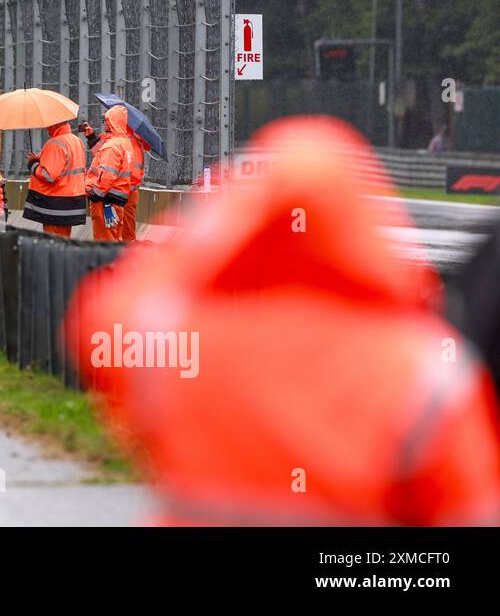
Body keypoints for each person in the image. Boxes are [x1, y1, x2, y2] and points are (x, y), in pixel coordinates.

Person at [66, 116, 500, 525]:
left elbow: (102, 312)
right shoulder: (424, 372)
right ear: (363, 228)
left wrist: (207, 239)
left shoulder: (179, 343)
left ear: (248, 223)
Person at [23, 119, 87, 237]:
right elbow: (66, 166)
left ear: (55, 124)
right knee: (63, 242)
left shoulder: (55, 143)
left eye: (48, 125)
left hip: (56, 205)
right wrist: (40, 159)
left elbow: (48, 175)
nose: (47, 128)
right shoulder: (76, 141)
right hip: (72, 201)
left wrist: (33, 165)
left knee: (55, 245)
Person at [84, 105, 134, 242]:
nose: (105, 123)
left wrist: (94, 194)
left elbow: (106, 175)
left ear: (113, 122)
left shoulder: (112, 146)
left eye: (107, 120)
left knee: (104, 241)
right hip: (117, 202)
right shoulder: (125, 143)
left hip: (105, 202)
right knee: (115, 240)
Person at [120, 129, 151, 242]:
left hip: (122, 188)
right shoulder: (137, 140)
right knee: (128, 225)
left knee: (120, 226)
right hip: (131, 189)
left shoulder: (125, 141)